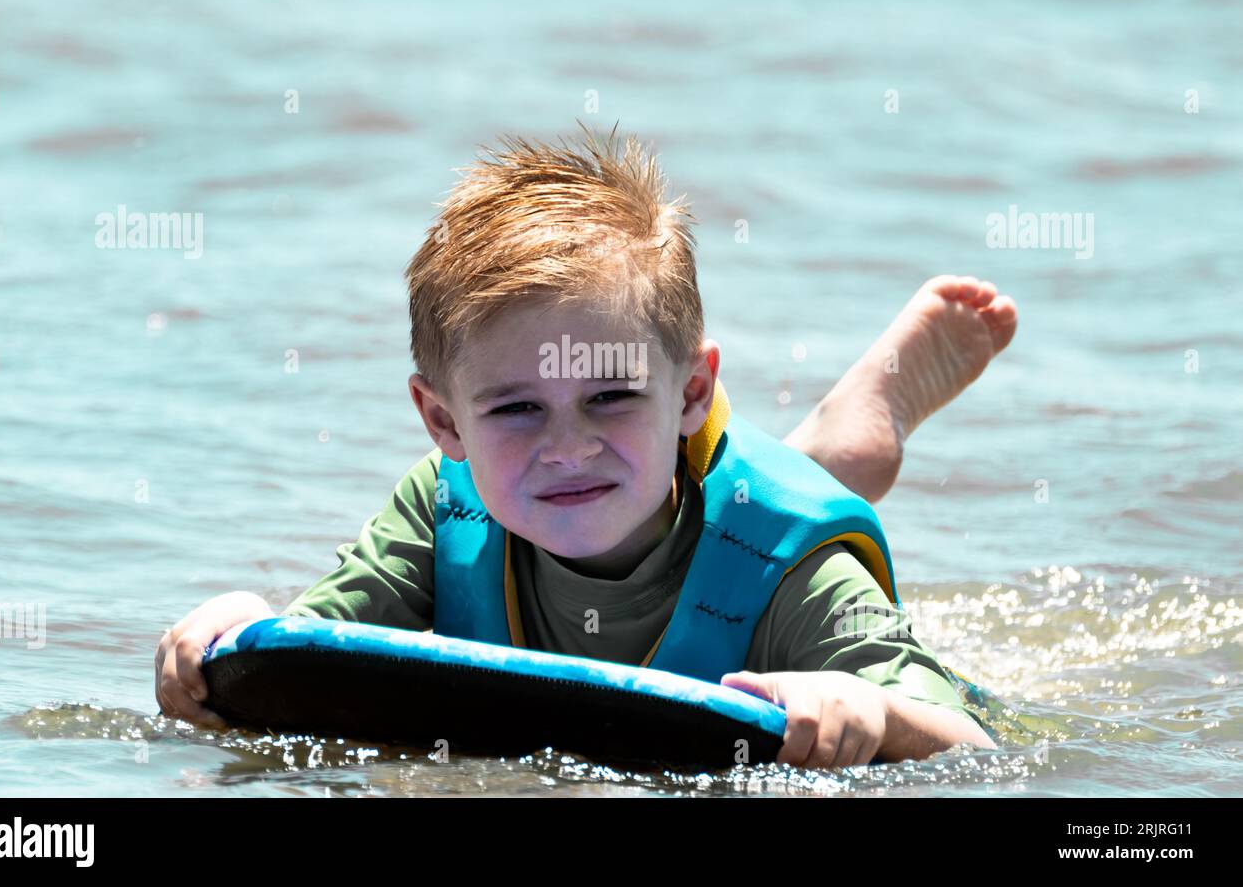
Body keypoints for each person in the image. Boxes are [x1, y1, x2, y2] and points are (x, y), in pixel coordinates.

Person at [155, 125, 1017, 769]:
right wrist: (234, 632)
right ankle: (825, 446)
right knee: (654, 476)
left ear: (691, 391)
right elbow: (312, 655)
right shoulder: (442, 506)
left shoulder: (794, 565)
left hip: (746, 540)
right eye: (518, 410)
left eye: (608, 395)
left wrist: (867, 709)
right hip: (679, 477)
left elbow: (967, 738)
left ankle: (835, 454)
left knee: (754, 524)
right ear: (444, 424)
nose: (567, 448)